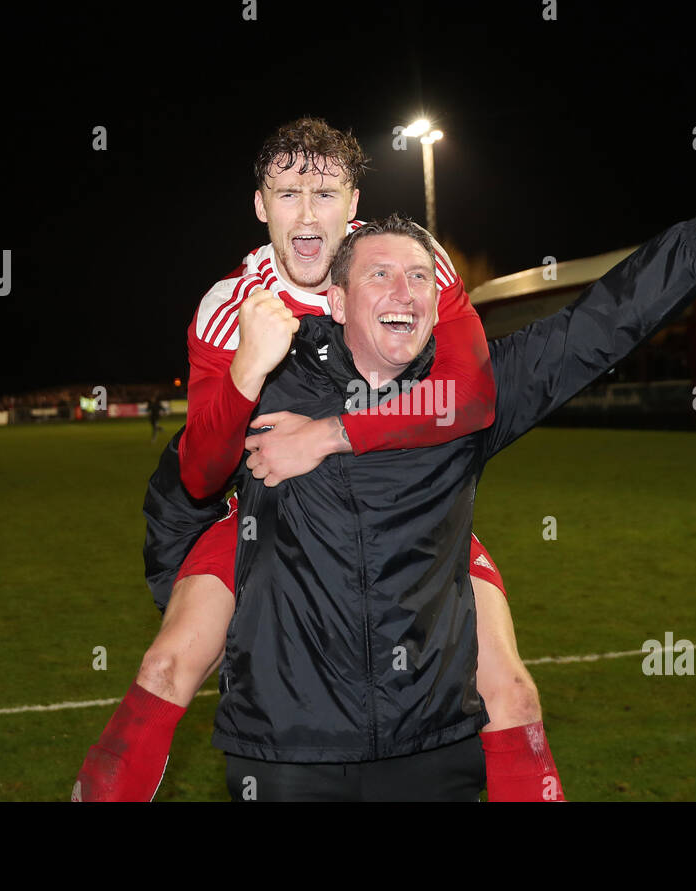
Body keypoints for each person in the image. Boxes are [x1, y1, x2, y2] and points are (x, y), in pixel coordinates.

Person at [76, 118, 562, 802]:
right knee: (165, 665)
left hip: (408, 511)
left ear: (353, 203)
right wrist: (246, 371)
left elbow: (471, 395)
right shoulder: (229, 304)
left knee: (511, 688)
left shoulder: (403, 270)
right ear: (259, 204)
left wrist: (334, 431)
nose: (307, 213)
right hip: (275, 522)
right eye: (287, 194)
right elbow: (201, 476)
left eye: (326, 193)